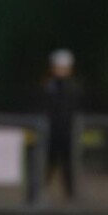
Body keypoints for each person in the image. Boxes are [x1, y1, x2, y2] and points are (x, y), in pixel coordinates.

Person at [41, 48, 81, 202]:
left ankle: (70, 193)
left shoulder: (73, 87)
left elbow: (76, 105)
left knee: (68, 163)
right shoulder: (49, 86)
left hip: (67, 131)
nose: (62, 71)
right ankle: (42, 189)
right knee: (49, 161)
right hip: (51, 131)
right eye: (59, 67)